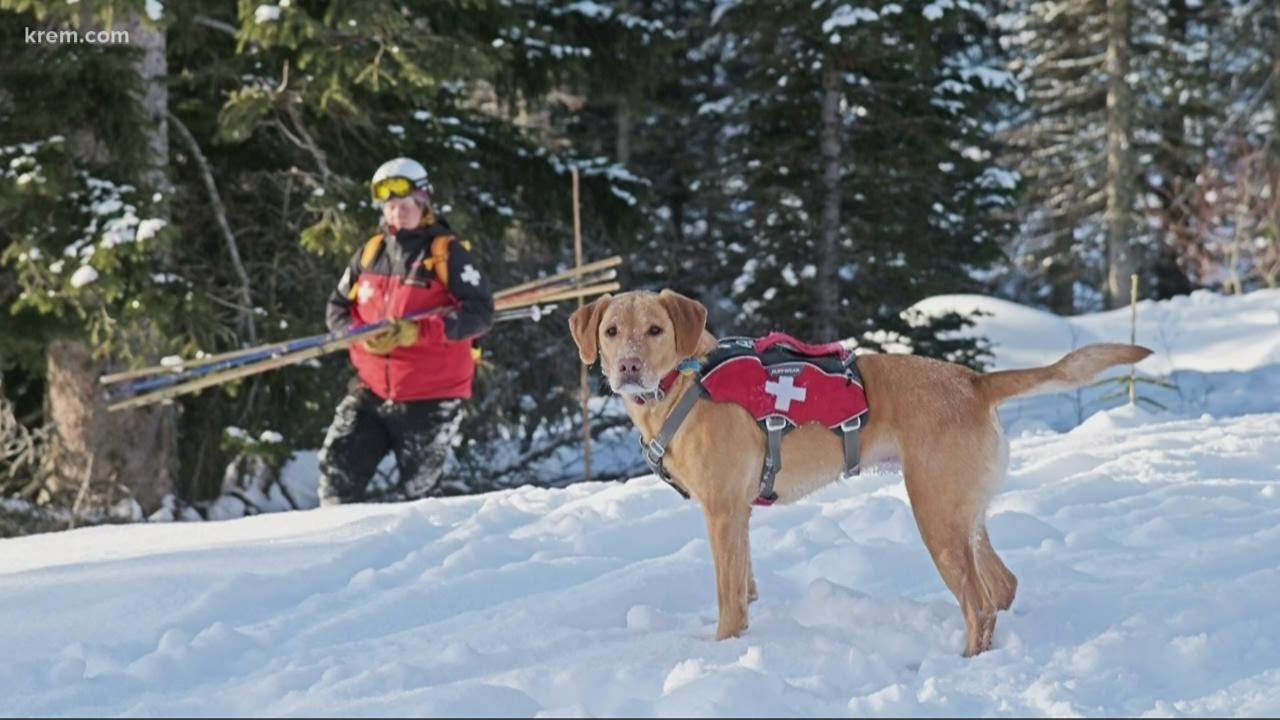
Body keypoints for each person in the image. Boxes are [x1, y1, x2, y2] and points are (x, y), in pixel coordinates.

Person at [318, 157, 494, 505]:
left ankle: (421, 556)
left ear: (424, 204)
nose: (397, 213)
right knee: (336, 474)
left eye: (405, 205)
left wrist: (420, 332)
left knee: (420, 497)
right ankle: (335, 547)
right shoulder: (370, 253)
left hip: (432, 393)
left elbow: (481, 313)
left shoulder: (447, 254)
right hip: (374, 388)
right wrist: (359, 333)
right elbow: (336, 309)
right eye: (390, 206)